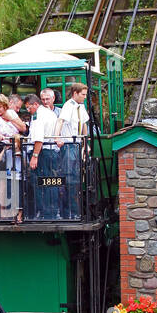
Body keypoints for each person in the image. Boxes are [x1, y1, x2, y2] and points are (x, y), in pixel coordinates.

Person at [25, 92, 61, 219]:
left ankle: (45, 212)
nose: (28, 110)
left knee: (41, 183)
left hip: (42, 153)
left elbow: (38, 138)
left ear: (35, 104)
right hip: (52, 152)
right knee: (51, 182)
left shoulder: (38, 115)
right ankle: (53, 211)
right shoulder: (50, 113)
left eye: (29, 107)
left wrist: (35, 156)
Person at [57, 83, 89, 218]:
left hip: (77, 146)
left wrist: (86, 143)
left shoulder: (80, 107)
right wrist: (57, 137)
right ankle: (69, 212)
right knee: (70, 178)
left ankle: (75, 211)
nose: (85, 97)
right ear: (75, 93)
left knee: (76, 178)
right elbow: (60, 121)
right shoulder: (68, 106)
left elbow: (84, 124)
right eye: (83, 94)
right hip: (69, 146)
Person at [0, 94, 20, 219]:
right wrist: (0, 136)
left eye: (0, 107)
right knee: (2, 181)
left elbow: (22, 127)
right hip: (3, 147)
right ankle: (3, 212)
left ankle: (17, 211)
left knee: (17, 180)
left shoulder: (12, 113)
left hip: (15, 147)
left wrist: (11, 119)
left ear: (5, 106)